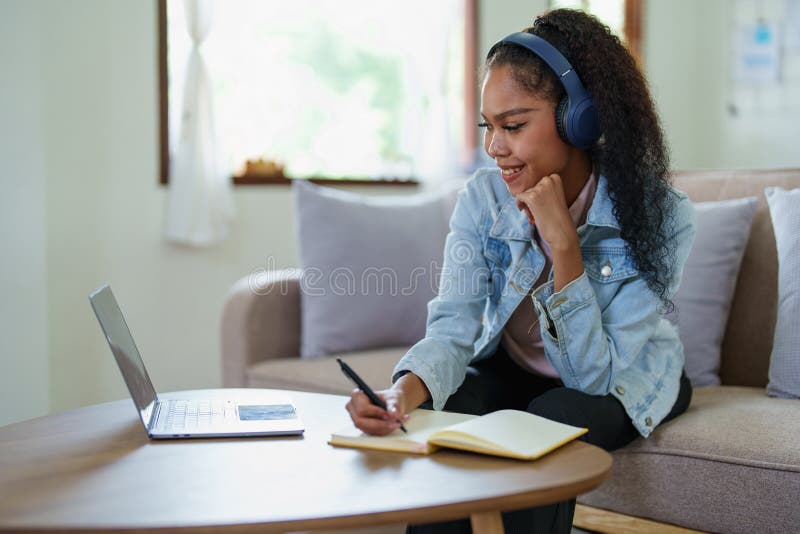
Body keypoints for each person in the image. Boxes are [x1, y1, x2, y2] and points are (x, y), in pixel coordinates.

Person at [345, 8, 696, 533]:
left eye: (513, 126)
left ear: (579, 119)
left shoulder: (662, 216)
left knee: (554, 416)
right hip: (516, 368)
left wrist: (563, 246)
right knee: (452, 405)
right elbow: (454, 329)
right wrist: (401, 395)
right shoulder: (482, 200)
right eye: (489, 127)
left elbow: (590, 379)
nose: (494, 148)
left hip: (620, 378)